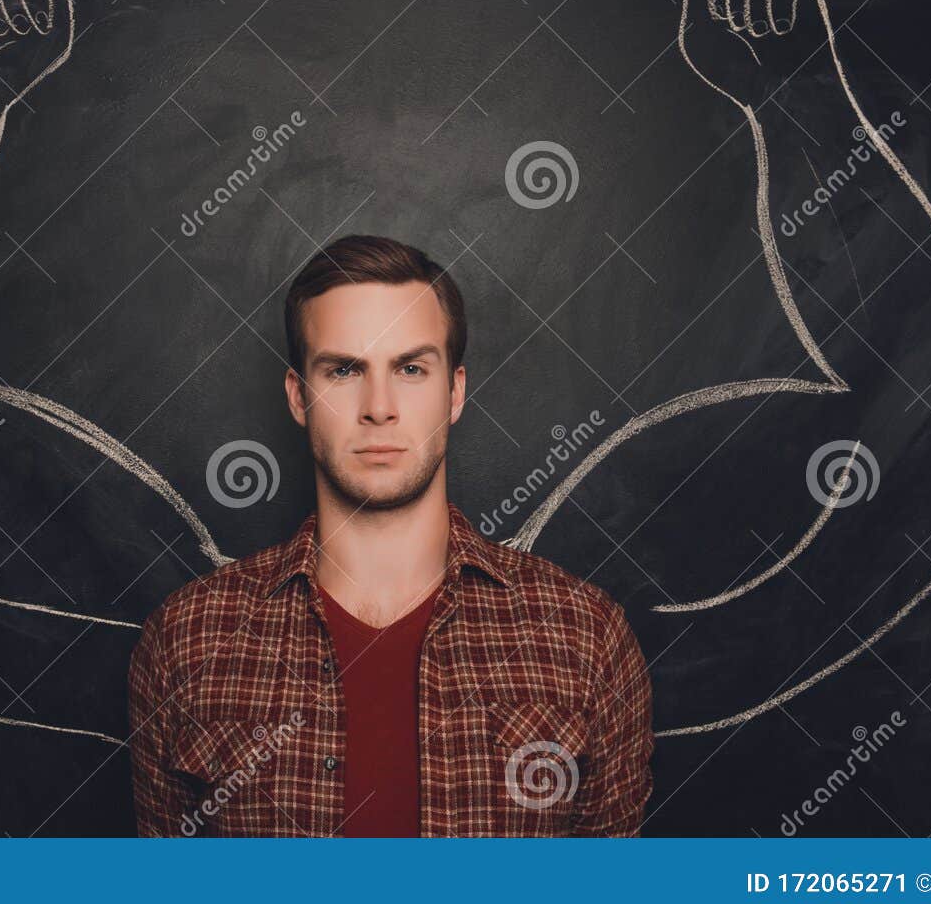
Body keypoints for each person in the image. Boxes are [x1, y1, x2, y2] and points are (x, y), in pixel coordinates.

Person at [128, 234, 653, 836]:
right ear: (299, 397)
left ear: (454, 391)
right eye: (345, 369)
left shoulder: (585, 638)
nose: (379, 407)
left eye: (410, 368)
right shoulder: (188, 641)